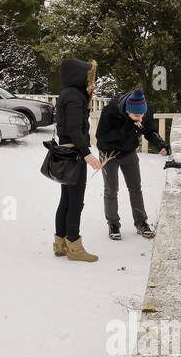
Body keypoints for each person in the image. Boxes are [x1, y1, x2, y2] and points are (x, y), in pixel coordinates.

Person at [94, 86, 168, 241]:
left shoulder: (146, 110)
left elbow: (149, 130)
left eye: (142, 115)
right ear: (127, 110)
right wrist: (128, 126)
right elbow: (101, 136)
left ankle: (141, 222)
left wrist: (161, 144)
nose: (140, 119)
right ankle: (113, 223)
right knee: (111, 189)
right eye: (136, 116)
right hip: (109, 153)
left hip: (129, 153)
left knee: (135, 188)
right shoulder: (111, 111)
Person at [51, 58, 96, 263]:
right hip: (75, 156)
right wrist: (87, 154)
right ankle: (74, 247)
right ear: (78, 76)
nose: (91, 81)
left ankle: (60, 244)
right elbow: (74, 130)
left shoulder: (68, 94)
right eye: (88, 77)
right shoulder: (74, 96)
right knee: (75, 203)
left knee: (66, 201)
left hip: (66, 154)